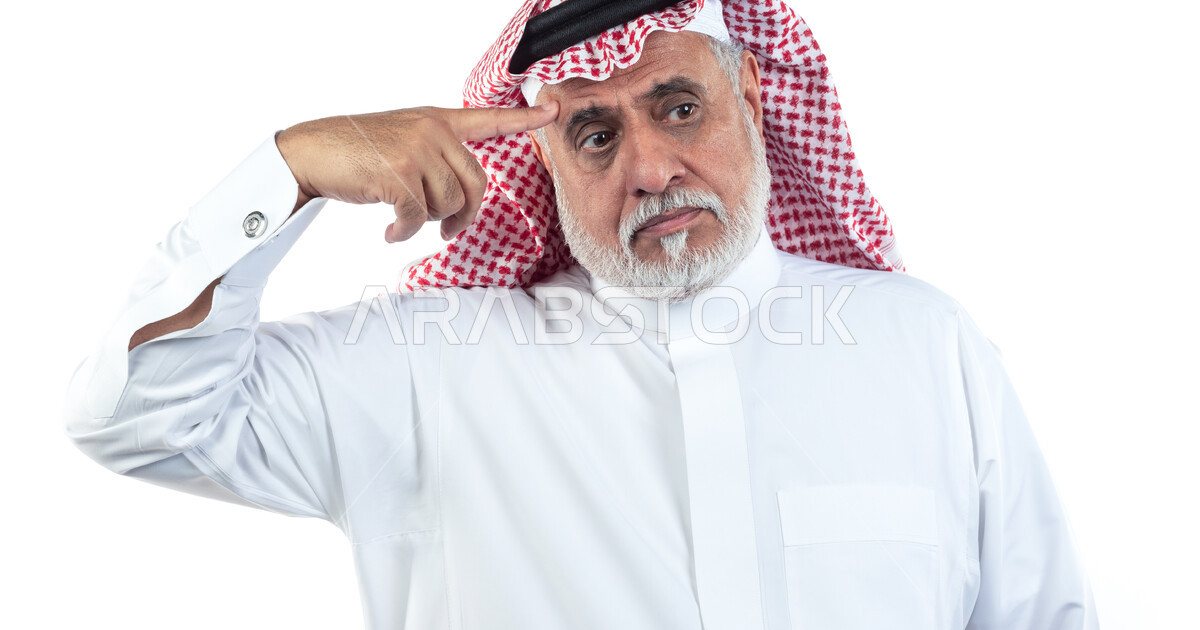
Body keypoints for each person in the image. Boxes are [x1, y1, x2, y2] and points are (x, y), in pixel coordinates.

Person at [63, 0, 1099, 628]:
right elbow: (138, 414)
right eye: (594, 134)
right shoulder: (430, 370)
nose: (648, 169)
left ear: (750, 99)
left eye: (679, 107)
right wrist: (286, 173)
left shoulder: (925, 346)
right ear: (542, 161)